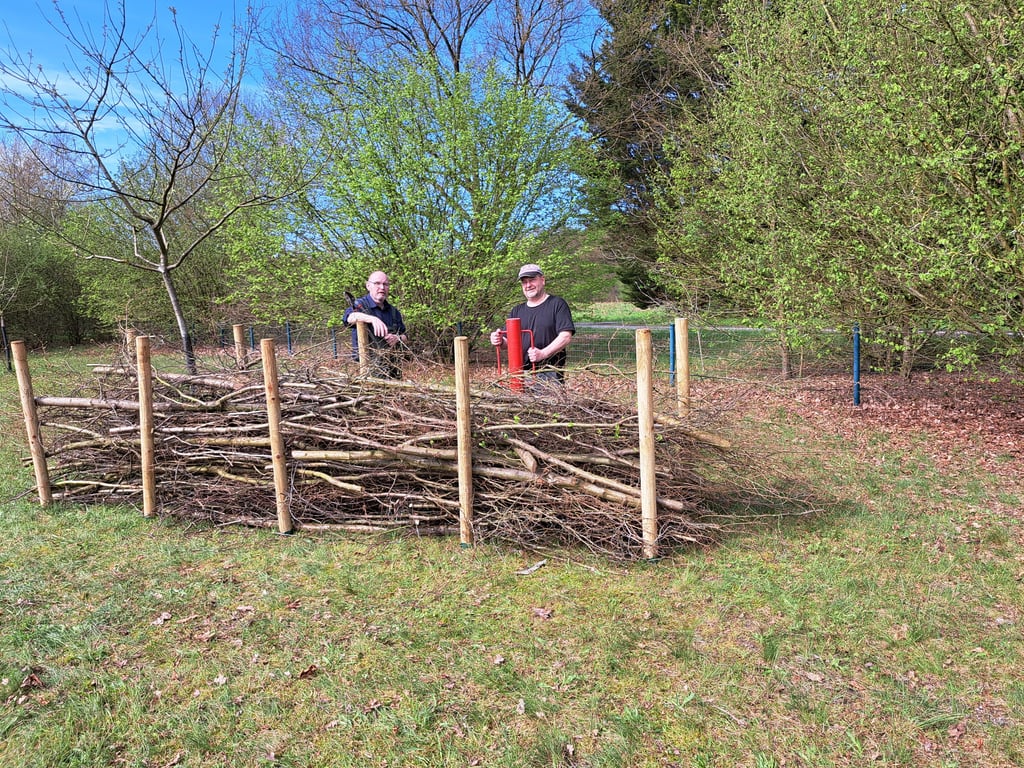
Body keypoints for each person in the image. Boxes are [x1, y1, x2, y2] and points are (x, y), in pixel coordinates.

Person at [490, 263, 575, 384]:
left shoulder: (557, 304)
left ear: (542, 280)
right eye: (524, 282)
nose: (528, 285)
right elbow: (508, 343)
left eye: (532, 280)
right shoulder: (516, 311)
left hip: (549, 374)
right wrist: (499, 340)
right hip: (520, 374)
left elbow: (565, 336)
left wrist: (542, 354)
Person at [343, 270, 407, 379]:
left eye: (385, 284)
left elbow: (405, 336)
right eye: (377, 283)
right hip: (367, 370)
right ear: (368, 286)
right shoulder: (359, 305)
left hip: (394, 369)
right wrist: (372, 319)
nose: (382, 288)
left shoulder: (394, 312)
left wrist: (397, 338)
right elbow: (349, 318)